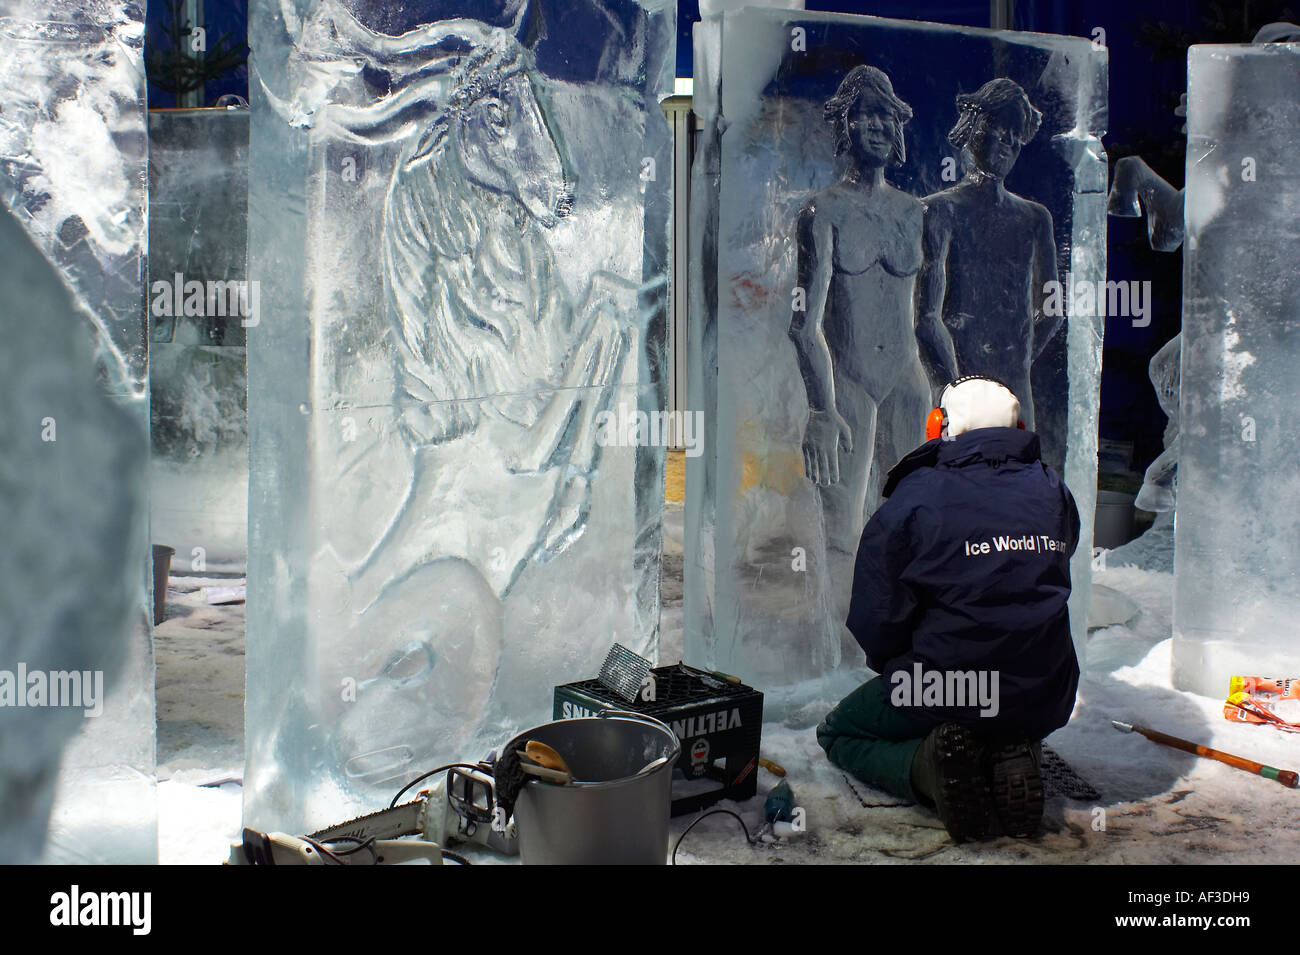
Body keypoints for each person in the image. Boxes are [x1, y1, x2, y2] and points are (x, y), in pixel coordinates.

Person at [816, 376, 1080, 841]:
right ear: (1019, 425)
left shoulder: (918, 496)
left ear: (939, 425)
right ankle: (1014, 748)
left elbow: (877, 613)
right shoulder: (1052, 489)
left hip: (949, 686)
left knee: (839, 732)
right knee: (1007, 709)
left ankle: (928, 769)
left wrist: (900, 671)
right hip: (1046, 688)